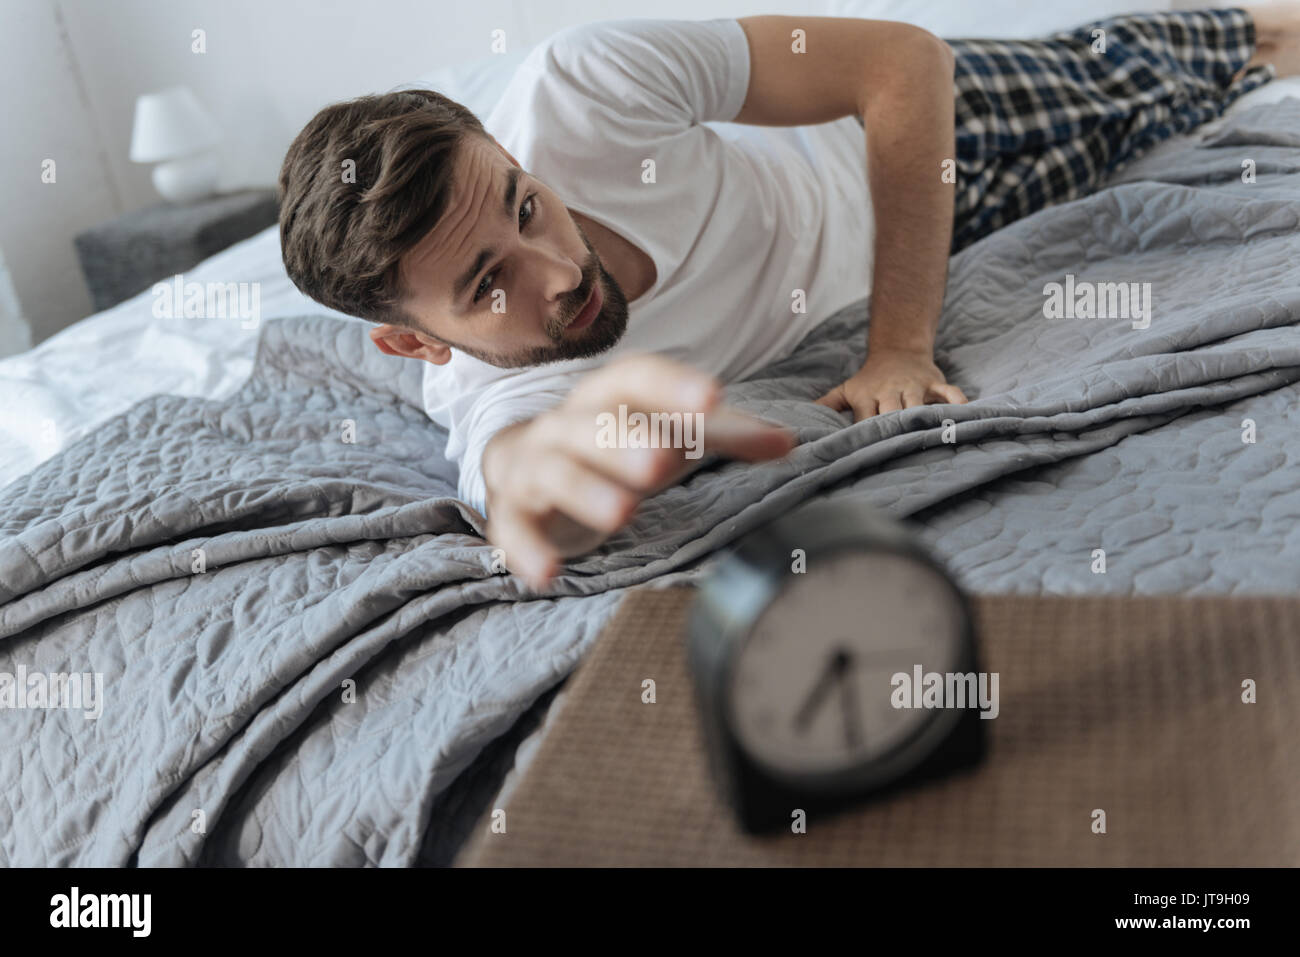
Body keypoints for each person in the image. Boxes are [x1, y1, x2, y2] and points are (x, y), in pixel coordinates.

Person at [278, 6, 1300, 587]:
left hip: (905, 156)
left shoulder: (585, 84)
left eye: (525, 204)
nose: (560, 269)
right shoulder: (505, 402)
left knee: (1191, 56)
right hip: (947, 234)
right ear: (414, 347)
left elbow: (904, 62)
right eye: (488, 284)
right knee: (1177, 102)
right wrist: (541, 496)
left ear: (509, 147)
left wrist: (900, 343)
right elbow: (522, 490)